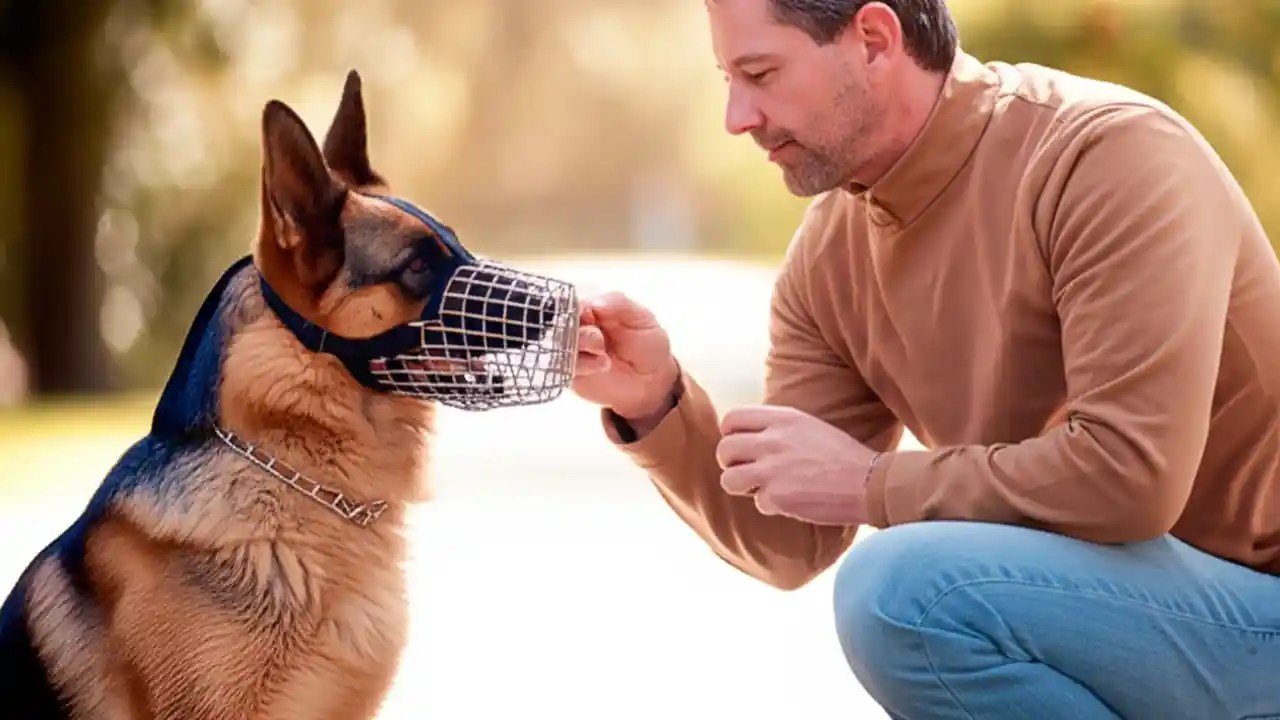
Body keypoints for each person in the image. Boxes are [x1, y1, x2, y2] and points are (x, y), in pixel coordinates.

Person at [571, 0, 1280, 717]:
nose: (737, 117)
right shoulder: (827, 259)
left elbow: (1132, 476)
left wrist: (875, 482)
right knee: (909, 590)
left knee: (913, 591)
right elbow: (789, 541)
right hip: (1137, 623)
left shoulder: (1107, 156)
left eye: (761, 74)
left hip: (1262, 608)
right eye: (729, 78)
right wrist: (655, 401)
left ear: (875, 40)